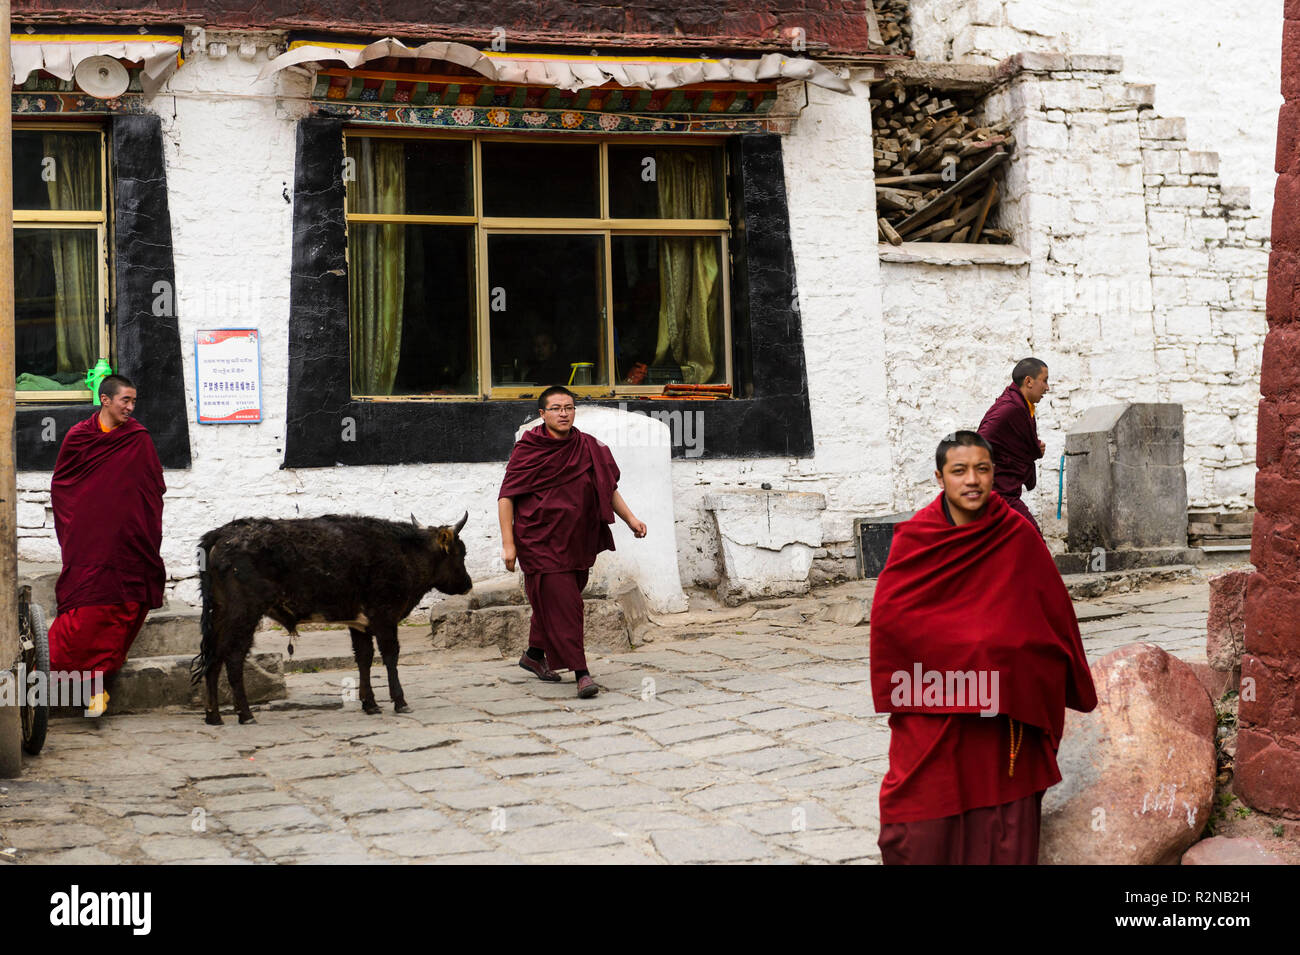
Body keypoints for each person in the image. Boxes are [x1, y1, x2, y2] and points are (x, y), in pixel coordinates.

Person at [869, 431, 1096, 865]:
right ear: (940, 478)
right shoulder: (916, 539)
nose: (972, 480)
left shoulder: (1015, 535)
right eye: (959, 471)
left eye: (982, 469)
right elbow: (893, 625)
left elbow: (1054, 621)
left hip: (1004, 710)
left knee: (1001, 821)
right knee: (914, 823)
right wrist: (967, 655)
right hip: (935, 701)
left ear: (994, 474)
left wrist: (1014, 660)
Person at [498, 386, 647, 698]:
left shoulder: (588, 446)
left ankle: (534, 655)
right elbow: (507, 496)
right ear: (542, 414)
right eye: (555, 408)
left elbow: (607, 488)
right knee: (568, 604)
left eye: (568, 407)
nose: (563, 413)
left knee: (556, 600)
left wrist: (631, 519)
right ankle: (581, 673)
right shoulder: (529, 450)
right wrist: (509, 544)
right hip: (538, 539)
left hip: (578, 539)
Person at [48, 374, 167, 718]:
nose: (130, 408)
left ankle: (99, 684)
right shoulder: (79, 437)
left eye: (133, 401)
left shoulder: (138, 438)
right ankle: (56, 682)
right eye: (124, 400)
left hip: (127, 541)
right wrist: (84, 519)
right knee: (85, 609)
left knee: (122, 605)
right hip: (90, 540)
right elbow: (64, 485)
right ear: (105, 400)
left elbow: (152, 487)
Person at [977, 357, 1049, 534]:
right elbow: (979, 442)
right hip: (999, 494)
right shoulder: (1010, 407)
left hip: (1005, 492)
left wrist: (1031, 447)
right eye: (1045, 381)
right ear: (1029, 381)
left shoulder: (1023, 406)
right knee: (1032, 537)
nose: (1047, 388)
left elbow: (1010, 442)